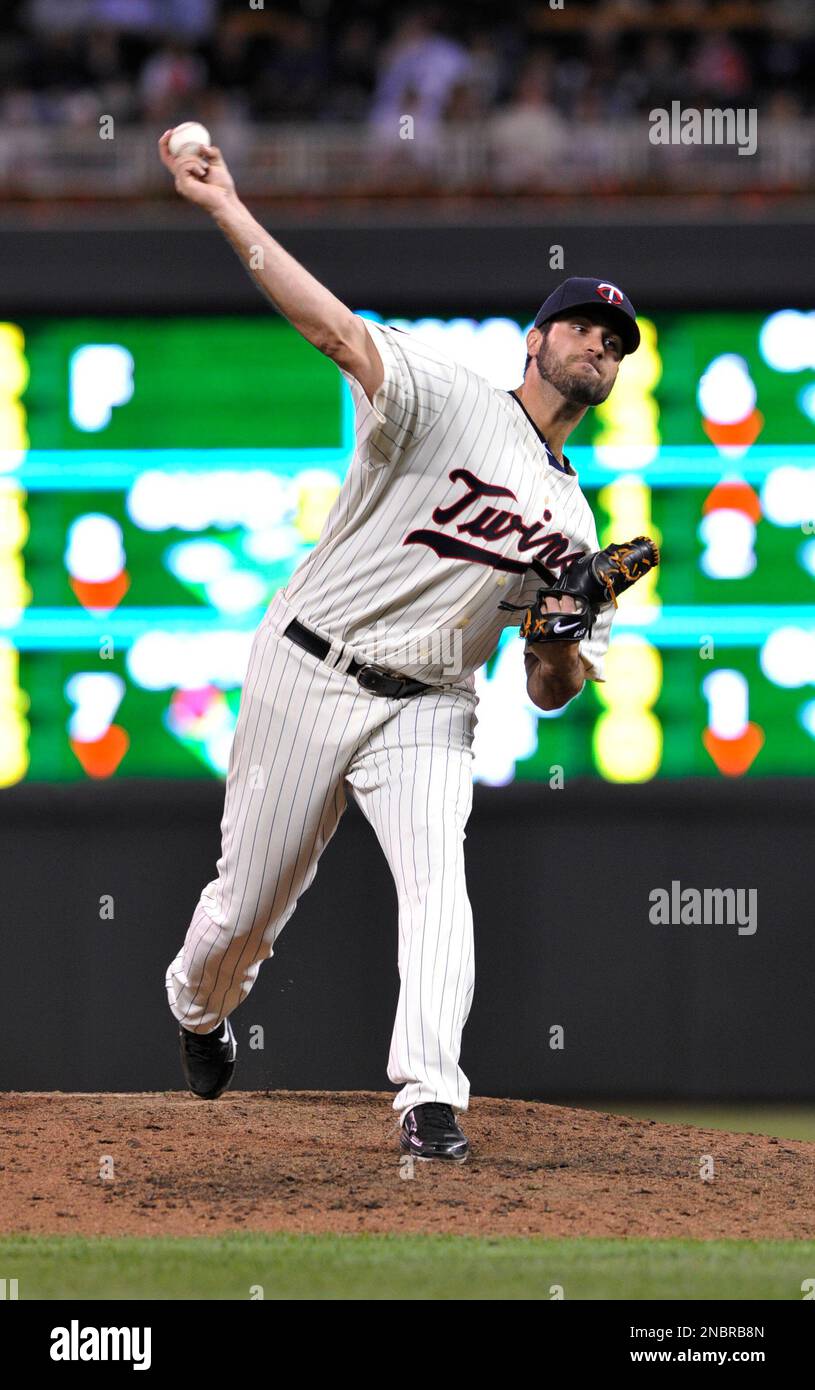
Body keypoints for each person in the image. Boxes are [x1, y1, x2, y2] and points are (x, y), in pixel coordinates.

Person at [158, 130, 640, 1164]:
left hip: (427, 702)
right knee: (244, 908)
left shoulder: (572, 522)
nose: (599, 344)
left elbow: (549, 690)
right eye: (584, 327)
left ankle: (429, 1101)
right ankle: (197, 1008)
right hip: (308, 662)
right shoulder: (446, 395)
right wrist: (224, 208)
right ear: (535, 338)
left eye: (614, 341)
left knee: (437, 887)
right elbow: (333, 331)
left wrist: (557, 629)